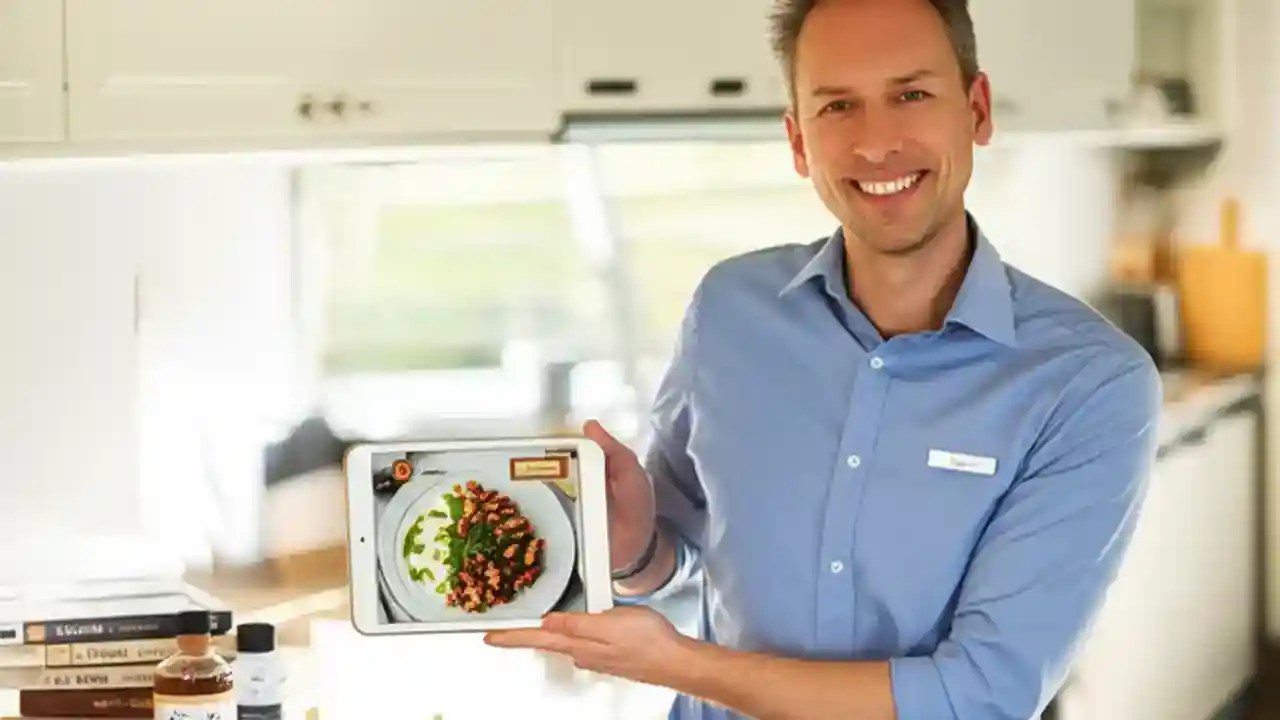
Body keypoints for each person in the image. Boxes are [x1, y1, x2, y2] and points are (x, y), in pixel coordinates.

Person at [486, 0, 1162, 718]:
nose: (877, 143)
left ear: (977, 109)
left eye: (911, 94)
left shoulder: (1089, 384)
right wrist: (631, 545)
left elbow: (979, 698)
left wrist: (680, 665)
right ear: (798, 140)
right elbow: (677, 551)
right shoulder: (729, 310)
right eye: (838, 106)